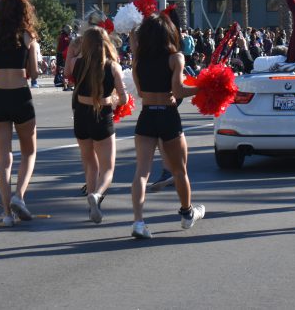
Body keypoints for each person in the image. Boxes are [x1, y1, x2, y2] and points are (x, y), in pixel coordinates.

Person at [129, 13, 205, 239]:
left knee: (142, 172)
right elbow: (179, 91)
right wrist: (203, 88)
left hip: (147, 116)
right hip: (168, 117)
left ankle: (138, 222)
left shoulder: (138, 59)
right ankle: (186, 213)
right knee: (180, 170)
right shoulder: (176, 58)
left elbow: (141, 92)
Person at [0, 0, 41, 227]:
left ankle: (6, 213)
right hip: (20, 96)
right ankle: (19, 196)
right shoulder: (27, 36)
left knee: (4, 157)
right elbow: (33, 72)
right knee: (29, 152)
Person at [72, 27, 130, 224]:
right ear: (107, 42)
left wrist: (73, 49)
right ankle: (97, 195)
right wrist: (112, 100)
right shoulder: (113, 66)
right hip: (101, 117)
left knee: (89, 163)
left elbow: (66, 73)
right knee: (107, 169)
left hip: (80, 116)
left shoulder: (79, 63)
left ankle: (92, 206)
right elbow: (123, 98)